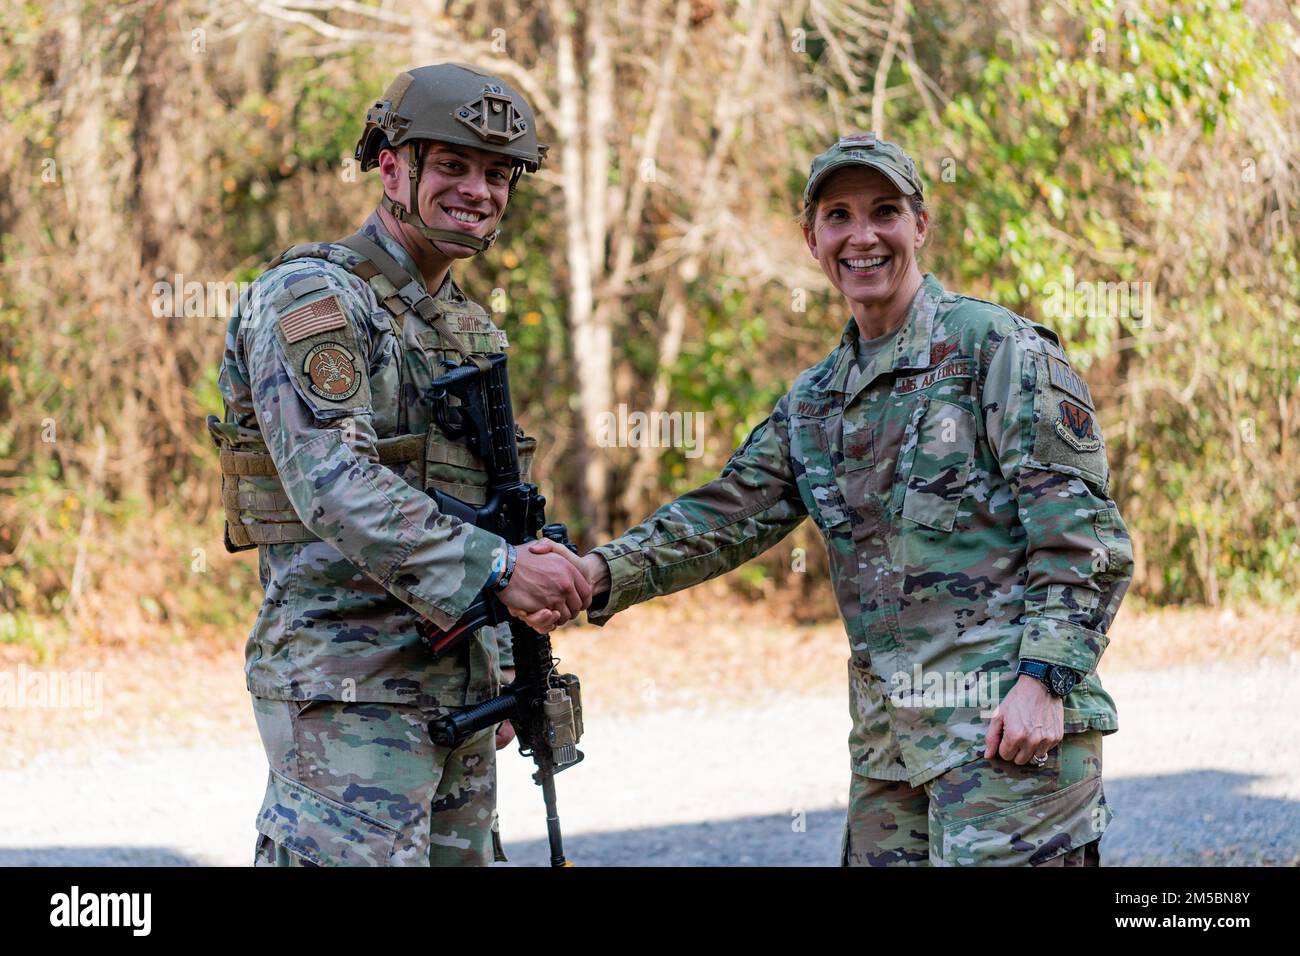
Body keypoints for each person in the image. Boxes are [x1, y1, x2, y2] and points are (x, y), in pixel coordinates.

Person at [535, 131, 1134, 866]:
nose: (862, 236)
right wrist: (596, 574)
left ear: (920, 225)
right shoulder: (816, 399)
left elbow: (1085, 538)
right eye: (838, 216)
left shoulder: (995, 348)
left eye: (884, 212)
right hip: (891, 751)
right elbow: (727, 513)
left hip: (1008, 735)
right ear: (812, 238)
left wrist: (1045, 680)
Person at [210, 63, 591, 867]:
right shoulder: (313, 298)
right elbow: (333, 484)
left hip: (456, 689)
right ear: (392, 170)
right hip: (350, 692)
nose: (478, 191)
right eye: (452, 165)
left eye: (497, 174)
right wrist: (500, 572)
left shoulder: (462, 325)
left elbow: (491, 504)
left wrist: (508, 660)